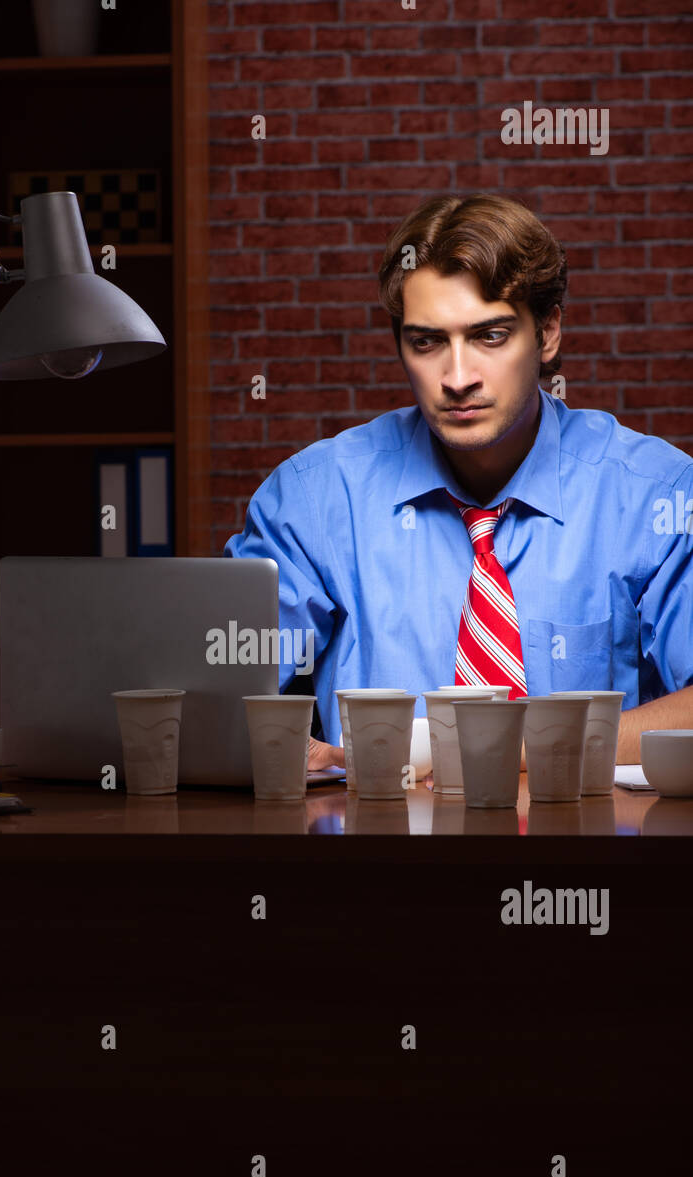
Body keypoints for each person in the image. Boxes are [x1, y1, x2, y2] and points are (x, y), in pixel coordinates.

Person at [224, 194, 693, 770]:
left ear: (547, 334)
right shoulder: (312, 500)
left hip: (582, 851)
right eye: (427, 342)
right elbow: (218, 693)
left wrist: (497, 750)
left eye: (490, 336)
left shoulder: (657, 497)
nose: (457, 377)